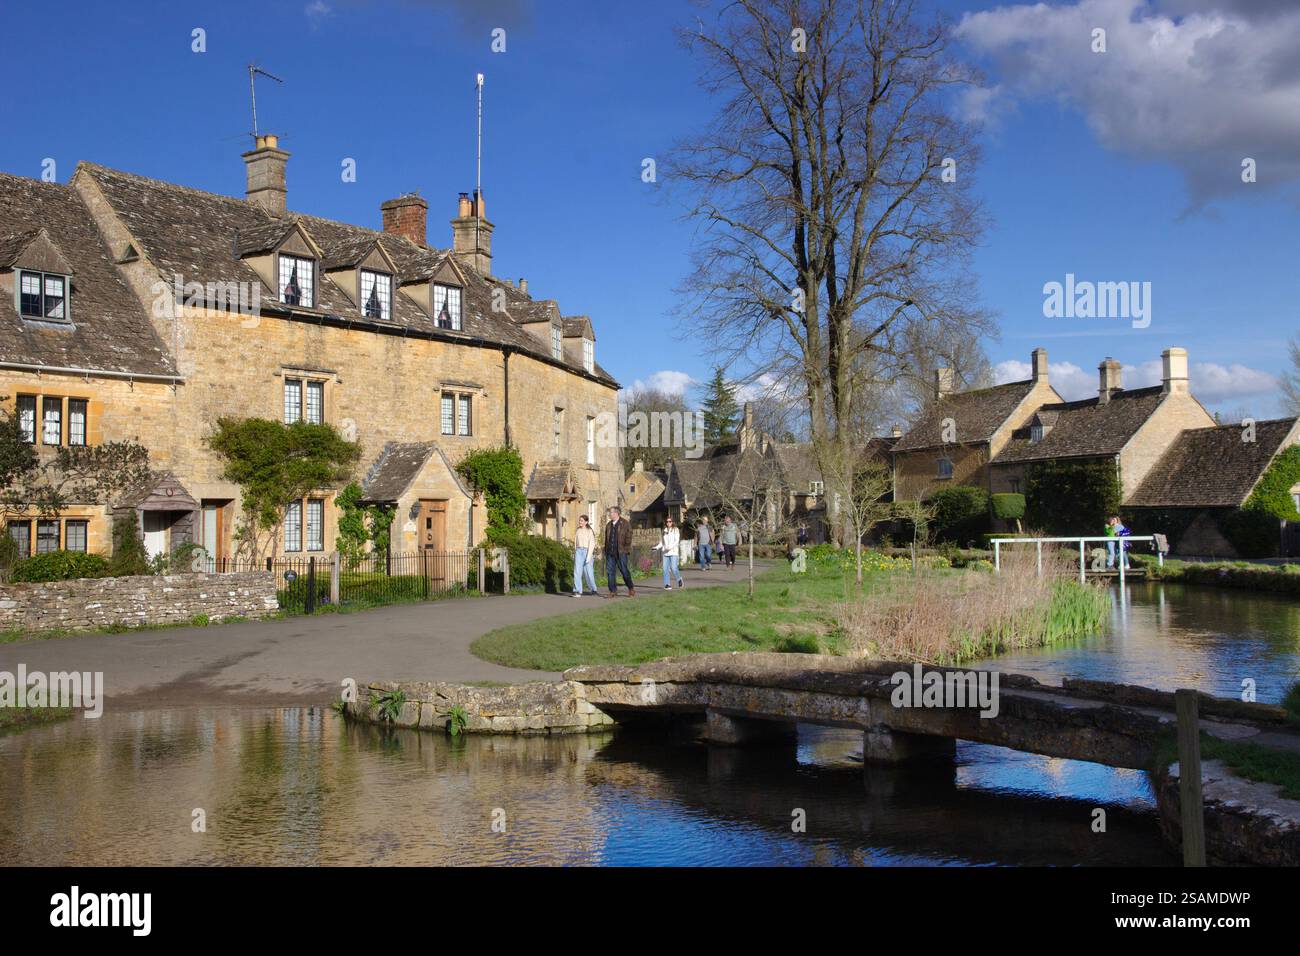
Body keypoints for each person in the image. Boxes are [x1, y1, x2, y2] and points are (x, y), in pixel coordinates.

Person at [603, 506, 635, 597]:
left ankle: (631, 588)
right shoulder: (608, 525)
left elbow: (629, 537)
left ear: (616, 513)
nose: (609, 514)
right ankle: (612, 591)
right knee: (610, 572)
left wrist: (625, 549)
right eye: (609, 512)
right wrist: (606, 550)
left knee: (624, 571)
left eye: (611, 512)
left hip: (621, 552)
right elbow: (607, 539)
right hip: (610, 552)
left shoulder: (625, 523)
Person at [653, 517, 685, 590]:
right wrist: (656, 547)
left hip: (673, 552)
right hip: (665, 553)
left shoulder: (676, 530)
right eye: (667, 522)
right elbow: (662, 543)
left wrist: (670, 547)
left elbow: (676, 541)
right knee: (665, 569)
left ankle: (679, 579)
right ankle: (667, 584)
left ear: (672, 522)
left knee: (674, 568)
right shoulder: (664, 530)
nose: (668, 523)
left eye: (670, 521)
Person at [572, 513, 598, 597]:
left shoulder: (589, 531)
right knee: (577, 571)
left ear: (586, 522)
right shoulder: (578, 530)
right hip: (579, 551)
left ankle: (593, 589)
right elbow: (575, 542)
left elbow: (592, 543)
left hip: (587, 551)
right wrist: (575, 553)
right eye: (579, 520)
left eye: (582, 520)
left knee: (588, 573)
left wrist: (589, 556)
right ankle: (577, 591)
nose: (580, 522)